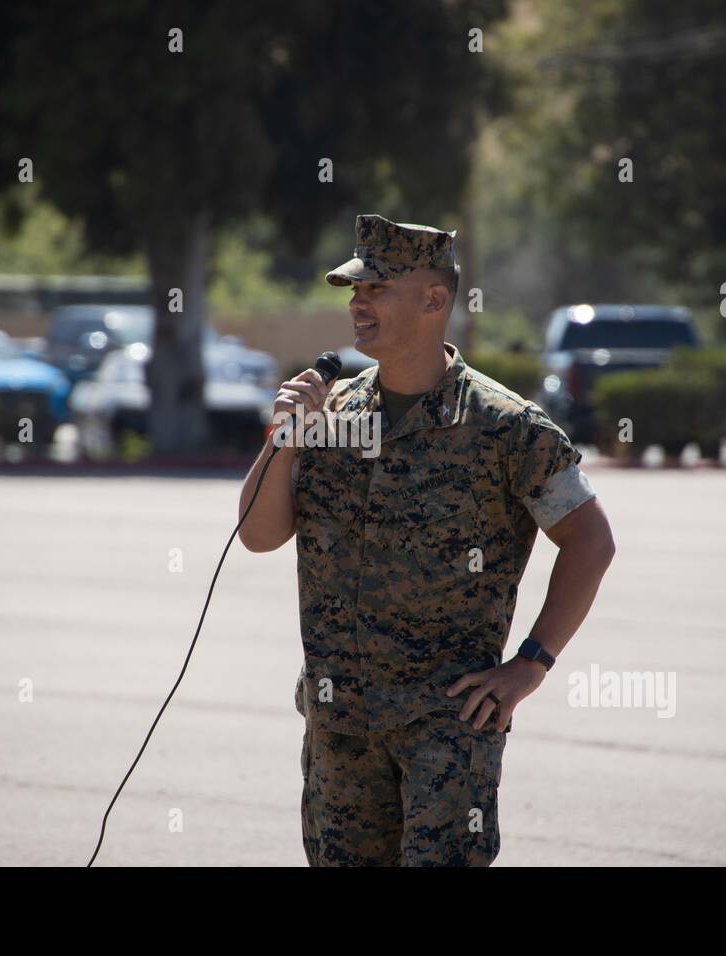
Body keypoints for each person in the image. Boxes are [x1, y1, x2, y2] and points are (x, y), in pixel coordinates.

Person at [237, 214, 616, 866]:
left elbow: (590, 540)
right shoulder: (331, 414)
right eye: (354, 289)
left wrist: (530, 664)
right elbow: (259, 535)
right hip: (339, 729)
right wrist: (284, 441)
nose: (358, 302)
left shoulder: (506, 428)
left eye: (377, 288)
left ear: (434, 299)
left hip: (444, 732)